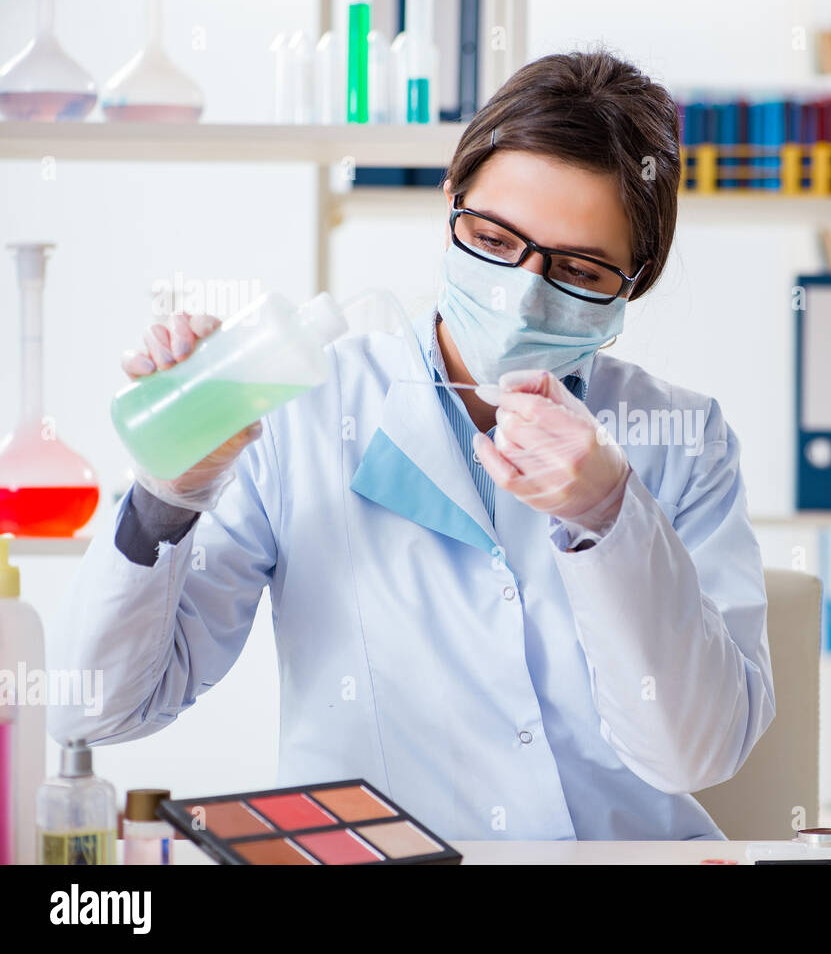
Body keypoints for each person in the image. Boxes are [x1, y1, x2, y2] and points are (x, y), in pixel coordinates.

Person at [51, 50, 773, 841]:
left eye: (578, 269)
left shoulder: (680, 437)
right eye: (495, 240)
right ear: (451, 200)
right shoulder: (301, 408)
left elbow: (695, 753)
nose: (524, 289)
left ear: (633, 283)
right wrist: (164, 499)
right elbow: (97, 707)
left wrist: (610, 515)